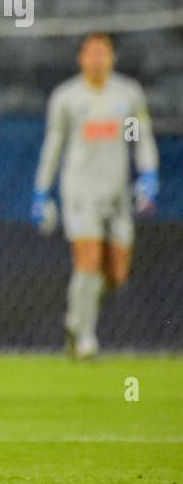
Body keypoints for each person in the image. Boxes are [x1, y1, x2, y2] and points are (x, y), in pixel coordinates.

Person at [32, 32, 158, 359]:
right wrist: (42, 191)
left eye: (103, 53)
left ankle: (77, 315)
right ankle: (85, 337)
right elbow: (54, 144)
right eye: (92, 53)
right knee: (87, 259)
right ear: (81, 59)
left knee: (116, 274)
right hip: (80, 189)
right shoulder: (68, 98)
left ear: (112, 58)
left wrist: (148, 173)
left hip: (116, 192)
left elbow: (140, 137)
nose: (97, 59)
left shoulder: (127, 95)